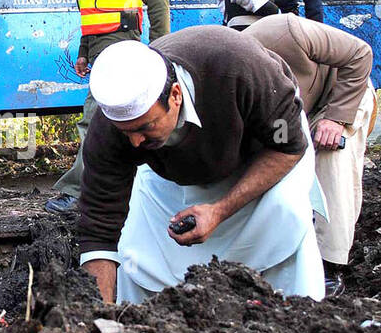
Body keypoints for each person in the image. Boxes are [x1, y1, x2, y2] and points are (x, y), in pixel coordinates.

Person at [78, 30, 326, 304]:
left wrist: (219, 211)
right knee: (137, 251)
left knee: (285, 213)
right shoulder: (109, 131)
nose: (135, 142)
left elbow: (287, 145)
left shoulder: (241, 70)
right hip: (176, 169)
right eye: (125, 133)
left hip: (263, 153)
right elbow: (99, 231)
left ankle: (293, 313)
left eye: (144, 127)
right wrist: (98, 318)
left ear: (175, 96)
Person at [46, 0, 171, 215]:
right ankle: (144, 184)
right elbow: (90, 10)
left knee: (92, 120)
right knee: (122, 121)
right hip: (100, 51)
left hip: (121, 48)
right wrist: (84, 51)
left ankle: (77, 192)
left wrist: (159, 51)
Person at [242, 13, 375, 297]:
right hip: (292, 114)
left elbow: (360, 55)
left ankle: (330, 262)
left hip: (339, 95)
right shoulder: (236, 82)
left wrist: (337, 118)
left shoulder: (288, 31)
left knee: (331, 154)